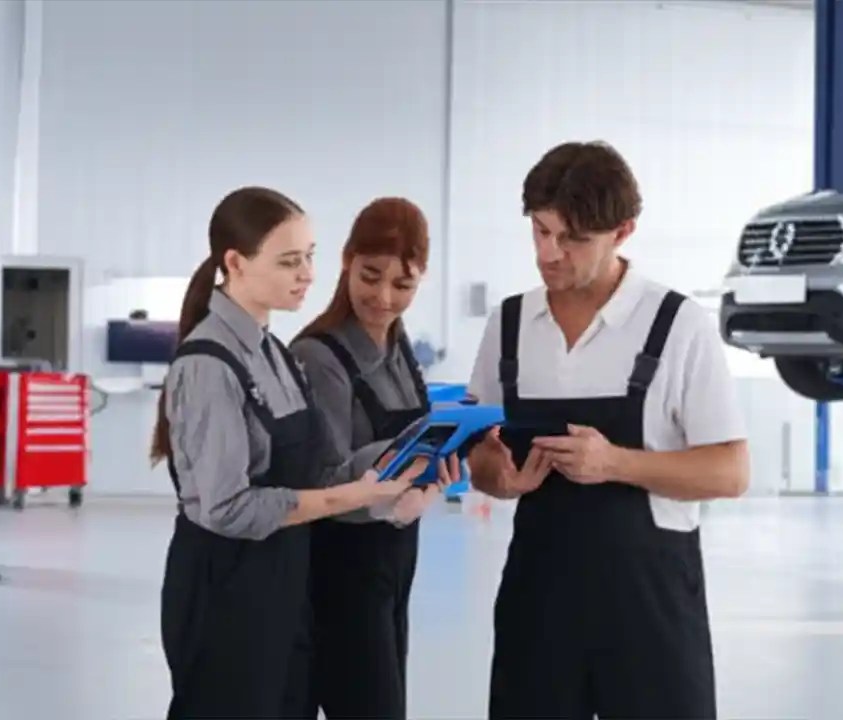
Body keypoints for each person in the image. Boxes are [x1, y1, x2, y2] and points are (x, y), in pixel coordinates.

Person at [465, 141, 751, 720]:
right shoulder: (511, 324)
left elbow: (731, 471)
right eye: (541, 232)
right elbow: (479, 453)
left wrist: (615, 463)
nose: (550, 253)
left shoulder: (677, 326)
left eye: (572, 240)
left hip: (649, 608)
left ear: (622, 232)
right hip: (537, 600)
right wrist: (494, 474)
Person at [150, 186, 423, 720]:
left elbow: (323, 470)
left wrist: (403, 466)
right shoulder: (208, 364)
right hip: (225, 591)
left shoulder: (275, 354)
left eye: (311, 257)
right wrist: (341, 498)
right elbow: (227, 507)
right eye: (289, 261)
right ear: (236, 263)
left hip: (285, 586)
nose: (307, 275)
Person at [290, 196, 460, 720]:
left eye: (402, 285)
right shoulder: (319, 355)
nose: (383, 298)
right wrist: (392, 482)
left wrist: (433, 479)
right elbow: (324, 478)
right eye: (370, 276)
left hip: (395, 559)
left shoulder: (400, 346)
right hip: (340, 567)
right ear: (345, 260)